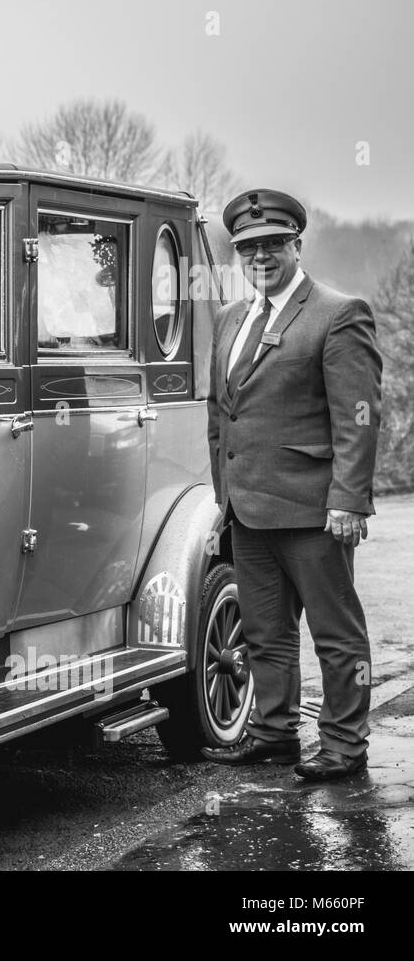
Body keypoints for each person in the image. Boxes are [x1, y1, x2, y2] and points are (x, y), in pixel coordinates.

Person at [202, 189, 383, 780]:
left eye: (273, 245)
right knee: (264, 633)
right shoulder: (231, 318)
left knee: (336, 636)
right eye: (249, 248)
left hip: (314, 512)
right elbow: (219, 417)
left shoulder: (338, 312)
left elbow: (358, 415)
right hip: (248, 511)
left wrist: (349, 500)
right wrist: (220, 500)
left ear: (295, 246)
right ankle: (273, 733)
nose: (260, 256)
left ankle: (343, 746)